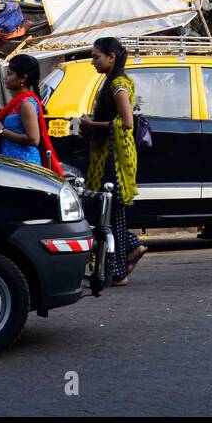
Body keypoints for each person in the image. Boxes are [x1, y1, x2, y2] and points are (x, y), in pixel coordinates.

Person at [79, 38, 146, 286]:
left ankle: (119, 272)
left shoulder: (118, 84)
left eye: (96, 56)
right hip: (105, 154)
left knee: (110, 214)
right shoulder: (111, 82)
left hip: (115, 160)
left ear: (111, 58)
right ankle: (132, 248)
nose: (93, 61)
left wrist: (91, 125)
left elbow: (126, 123)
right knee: (103, 213)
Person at [0, 54, 62, 174]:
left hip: (24, 165)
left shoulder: (26, 104)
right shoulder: (18, 102)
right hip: (12, 163)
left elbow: (34, 139)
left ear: (22, 78)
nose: (5, 78)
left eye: (10, 74)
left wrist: (1, 130)